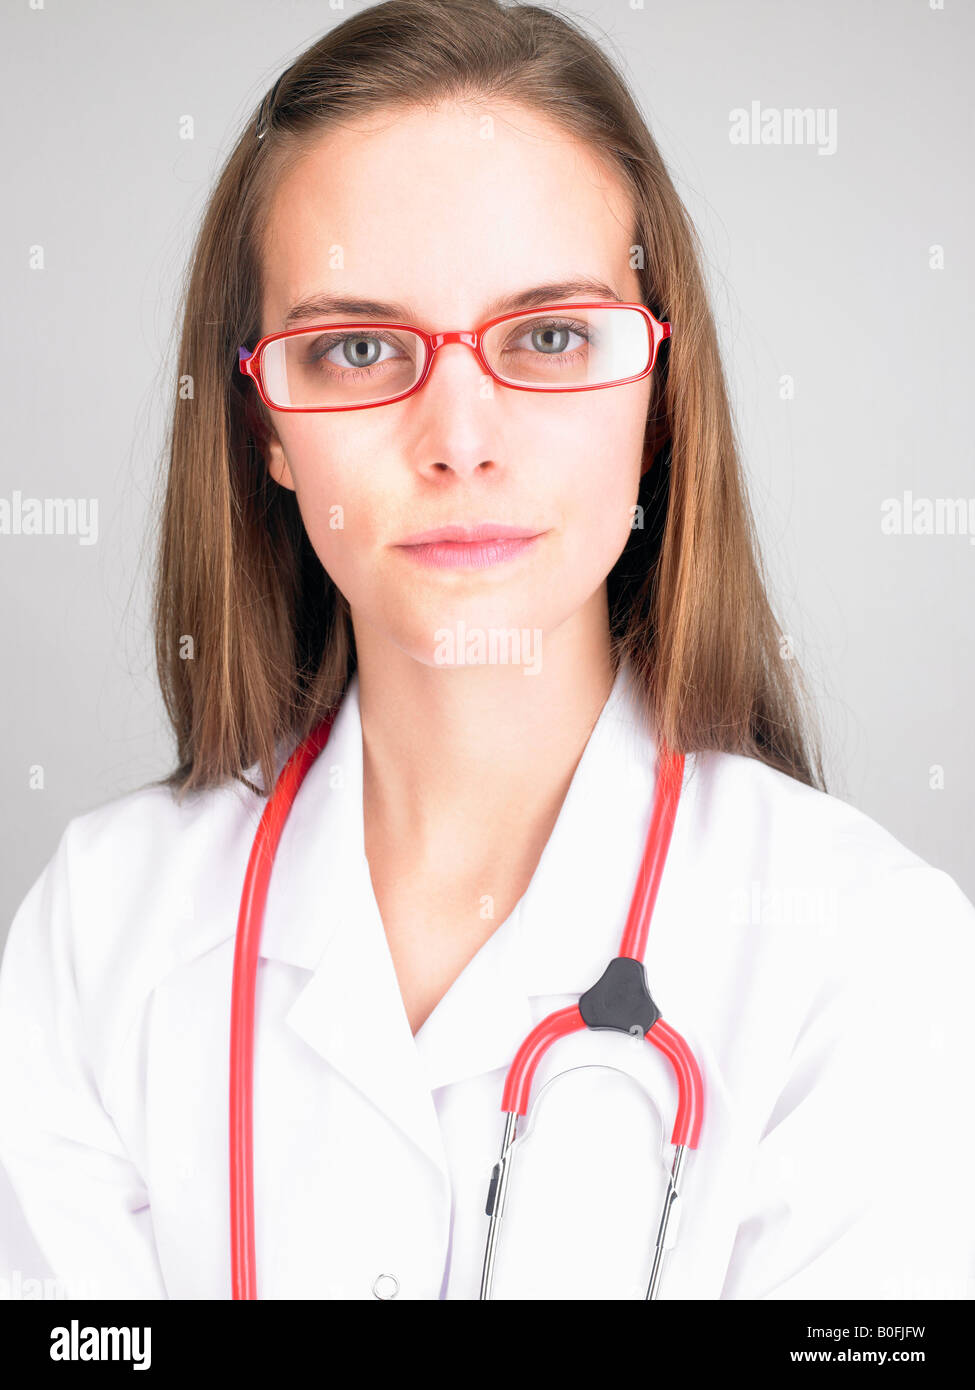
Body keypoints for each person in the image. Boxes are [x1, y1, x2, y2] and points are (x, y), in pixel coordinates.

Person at [1, 0, 973, 1301]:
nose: (460, 438)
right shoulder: (100, 926)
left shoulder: (867, 955)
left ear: (656, 392)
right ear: (264, 429)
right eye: (356, 347)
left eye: (550, 336)